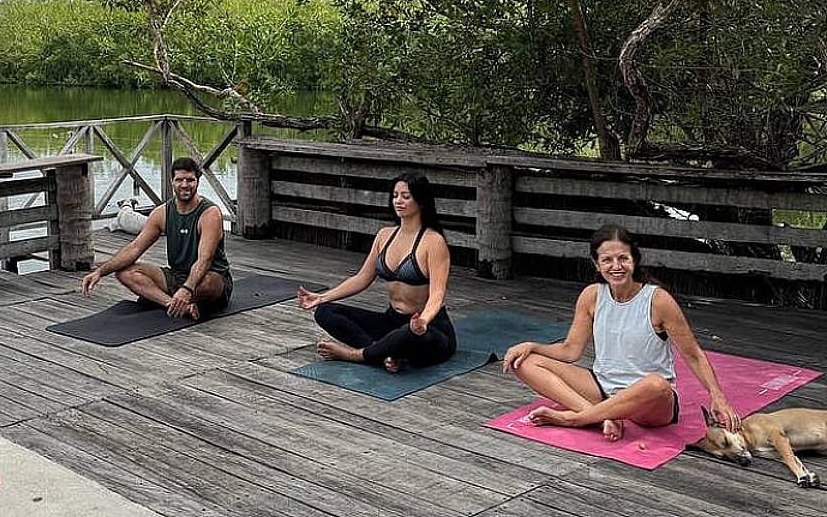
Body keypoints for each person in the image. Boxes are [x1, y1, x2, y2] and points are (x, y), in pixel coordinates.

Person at [502, 223, 741, 441]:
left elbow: (693, 354)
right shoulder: (591, 295)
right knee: (523, 362)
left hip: (650, 403)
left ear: (634, 260)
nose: (616, 267)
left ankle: (575, 418)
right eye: (607, 260)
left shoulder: (658, 300)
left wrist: (717, 395)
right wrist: (532, 346)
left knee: (657, 385)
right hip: (602, 388)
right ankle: (602, 417)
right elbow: (569, 350)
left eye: (623, 258)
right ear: (596, 263)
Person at [296, 170, 456, 373]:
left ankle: (357, 355)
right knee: (326, 312)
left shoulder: (433, 242)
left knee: (409, 333)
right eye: (395, 196)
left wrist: (423, 320)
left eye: (406, 196)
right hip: (392, 322)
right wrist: (321, 298)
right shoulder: (384, 236)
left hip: (429, 329)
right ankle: (385, 355)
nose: (398, 201)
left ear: (421, 200)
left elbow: (437, 294)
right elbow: (362, 278)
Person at [81, 157, 231, 320]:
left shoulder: (210, 213)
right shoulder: (162, 213)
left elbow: (205, 260)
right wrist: (100, 272)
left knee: (210, 283)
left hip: (208, 277)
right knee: (125, 272)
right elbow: (135, 248)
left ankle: (169, 298)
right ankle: (172, 304)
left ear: (198, 182)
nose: (185, 185)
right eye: (179, 180)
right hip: (176, 275)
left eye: (190, 180)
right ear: (172, 181)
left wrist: (187, 289)